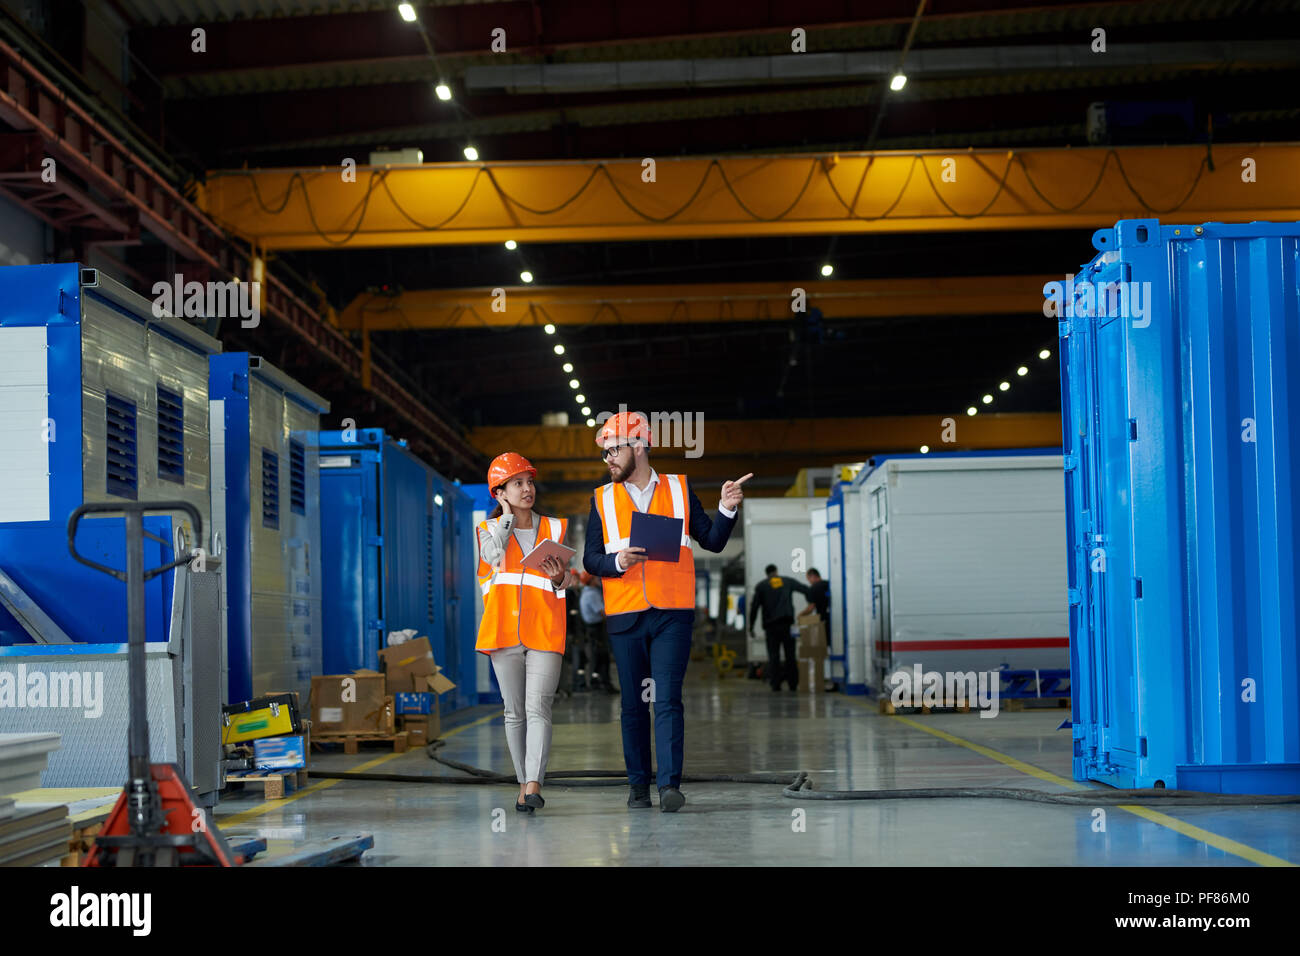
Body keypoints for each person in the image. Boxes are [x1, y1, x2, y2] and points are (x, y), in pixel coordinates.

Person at [583, 411, 748, 812]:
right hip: (625, 614)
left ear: (638, 446)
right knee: (633, 704)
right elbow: (590, 559)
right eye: (605, 453)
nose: (608, 459)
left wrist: (726, 508)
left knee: (669, 699)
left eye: (613, 450)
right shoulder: (602, 499)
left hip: (672, 612)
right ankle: (638, 787)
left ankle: (669, 786)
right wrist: (616, 562)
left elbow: (711, 541)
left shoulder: (678, 489)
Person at [475, 452, 577, 814]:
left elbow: (568, 581)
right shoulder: (487, 531)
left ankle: (534, 783)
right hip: (503, 631)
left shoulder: (555, 527)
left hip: (545, 629)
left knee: (538, 707)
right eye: (517, 483)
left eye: (529, 481)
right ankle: (522, 784)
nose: (527, 488)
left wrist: (558, 577)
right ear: (499, 491)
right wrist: (504, 520)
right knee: (514, 713)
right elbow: (492, 558)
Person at [749, 564, 811, 692]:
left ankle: (775, 685)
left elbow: (754, 608)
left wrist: (751, 626)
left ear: (767, 574)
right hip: (787, 625)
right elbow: (805, 589)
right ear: (776, 571)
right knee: (790, 656)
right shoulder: (787, 581)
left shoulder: (761, 586)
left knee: (774, 656)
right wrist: (812, 601)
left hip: (771, 628)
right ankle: (793, 684)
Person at [578, 574, 615, 693]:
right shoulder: (592, 594)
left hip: (592, 629)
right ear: (591, 581)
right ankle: (602, 684)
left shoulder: (586, 591)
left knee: (597, 656)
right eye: (595, 578)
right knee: (601, 656)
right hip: (596, 630)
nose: (598, 579)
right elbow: (603, 612)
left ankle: (599, 683)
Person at [799, 568, 831, 644]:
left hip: (822, 620)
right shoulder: (829, 584)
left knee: (823, 645)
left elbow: (811, 607)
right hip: (835, 619)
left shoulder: (813, 589)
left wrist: (801, 615)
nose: (809, 582)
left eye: (808, 579)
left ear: (812, 576)